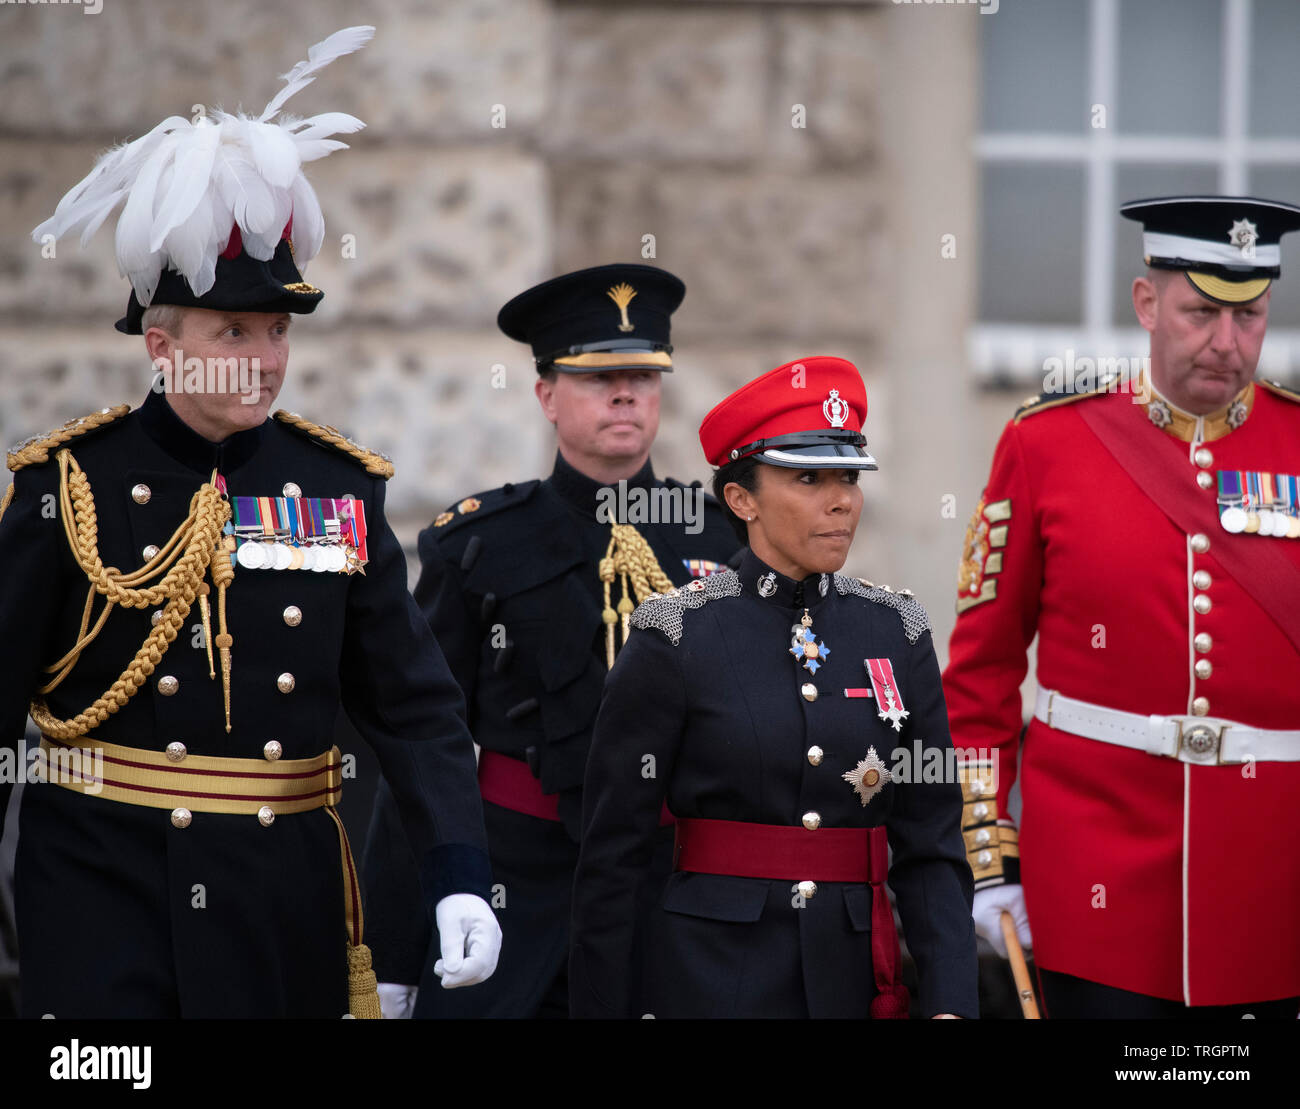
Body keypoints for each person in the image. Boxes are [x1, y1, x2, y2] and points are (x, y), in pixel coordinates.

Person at [0, 26, 500, 1018]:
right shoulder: (70, 484)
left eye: (276, 330)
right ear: (161, 342)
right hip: (100, 893)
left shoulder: (333, 489)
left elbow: (414, 708)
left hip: (281, 905)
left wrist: (455, 868)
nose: (265, 357)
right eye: (234, 331)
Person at [944, 195, 1300, 1018]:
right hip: (1094, 883)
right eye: (1200, 311)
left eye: (1249, 316)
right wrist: (988, 854)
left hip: (1272, 892)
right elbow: (981, 676)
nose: (1225, 341)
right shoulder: (1047, 445)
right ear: (1147, 304)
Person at [362, 264, 741, 1018]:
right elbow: (422, 747)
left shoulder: (724, 540)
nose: (625, 393)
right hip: (514, 896)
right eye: (599, 376)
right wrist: (394, 952)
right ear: (545, 394)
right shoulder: (477, 546)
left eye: (642, 374)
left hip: (670, 898)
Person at [569, 356, 978, 1019]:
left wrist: (950, 1003)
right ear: (742, 499)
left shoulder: (897, 633)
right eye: (809, 477)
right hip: (709, 981)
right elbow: (614, 863)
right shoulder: (674, 636)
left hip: (856, 985)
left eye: (849, 476)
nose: (842, 498)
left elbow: (931, 847)